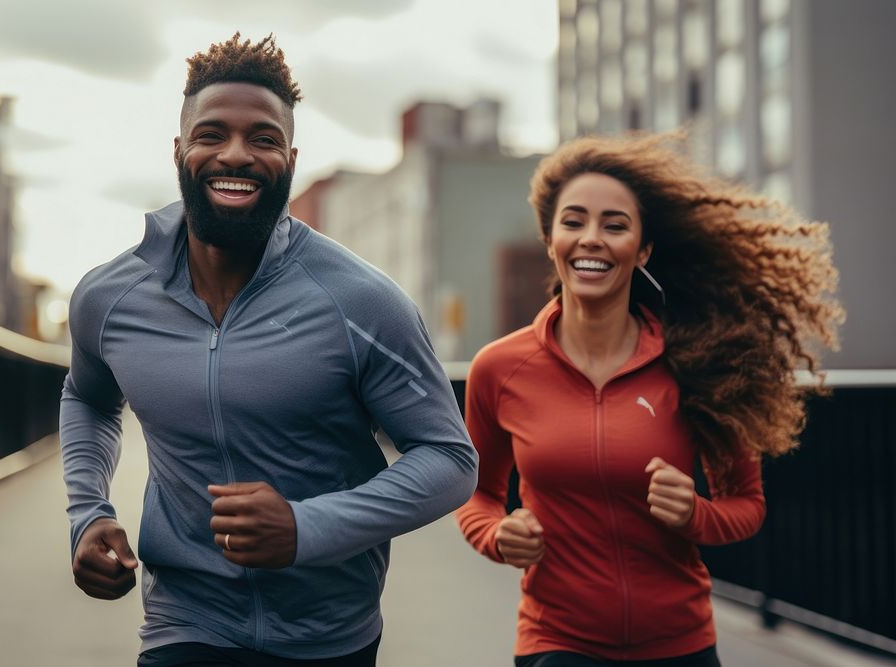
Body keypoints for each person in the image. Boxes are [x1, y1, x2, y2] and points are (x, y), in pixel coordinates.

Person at [60, 33, 478, 666]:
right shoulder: (111, 297)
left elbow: (449, 458)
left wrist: (307, 527)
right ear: (180, 150)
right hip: (185, 619)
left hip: (327, 632)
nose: (236, 154)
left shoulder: (361, 302)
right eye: (212, 134)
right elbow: (88, 398)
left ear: (290, 158)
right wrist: (88, 514)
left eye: (263, 138)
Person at [455, 132, 843, 666]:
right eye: (573, 222)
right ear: (550, 239)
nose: (592, 238)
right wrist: (498, 535)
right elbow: (477, 494)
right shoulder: (499, 368)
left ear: (643, 249)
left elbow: (748, 504)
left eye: (615, 226)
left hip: (681, 646)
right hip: (558, 644)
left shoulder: (698, 366)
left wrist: (695, 515)